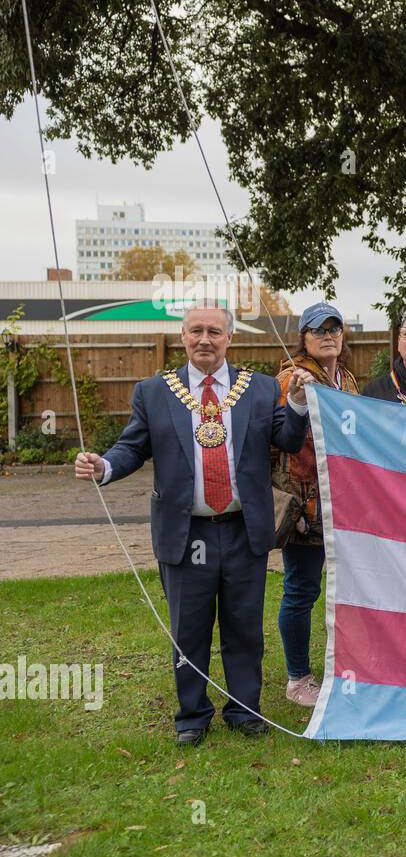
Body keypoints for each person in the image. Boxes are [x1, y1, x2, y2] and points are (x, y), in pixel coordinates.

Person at [73, 303, 315, 745]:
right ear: (183, 336)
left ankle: (244, 710)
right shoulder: (153, 392)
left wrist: (297, 403)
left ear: (229, 339)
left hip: (244, 528)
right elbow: (133, 447)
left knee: (244, 624)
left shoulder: (260, 389)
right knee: (189, 628)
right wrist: (104, 466)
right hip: (186, 533)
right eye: (197, 331)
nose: (206, 339)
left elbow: (286, 439)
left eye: (215, 332)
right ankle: (192, 716)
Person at [271, 302, 358, 708]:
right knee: (302, 589)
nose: (328, 335)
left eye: (334, 328)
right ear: (303, 337)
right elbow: (278, 438)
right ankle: (297, 676)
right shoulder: (291, 378)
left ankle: (347, 666)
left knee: (346, 589)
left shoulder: (349, 380)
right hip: (306, 504)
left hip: (346, 502)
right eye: (318, 329)